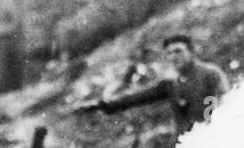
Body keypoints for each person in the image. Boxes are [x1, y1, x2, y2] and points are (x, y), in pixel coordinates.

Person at [77, 33, 229, 137]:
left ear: (191, 52)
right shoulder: (171, 83)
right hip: (185, 147)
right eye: (169, 53)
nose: (173, 57)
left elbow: (224, 106)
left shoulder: (210, 74)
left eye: (178, 51)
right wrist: (102, 104)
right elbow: (137, 96)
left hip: (213, 141)